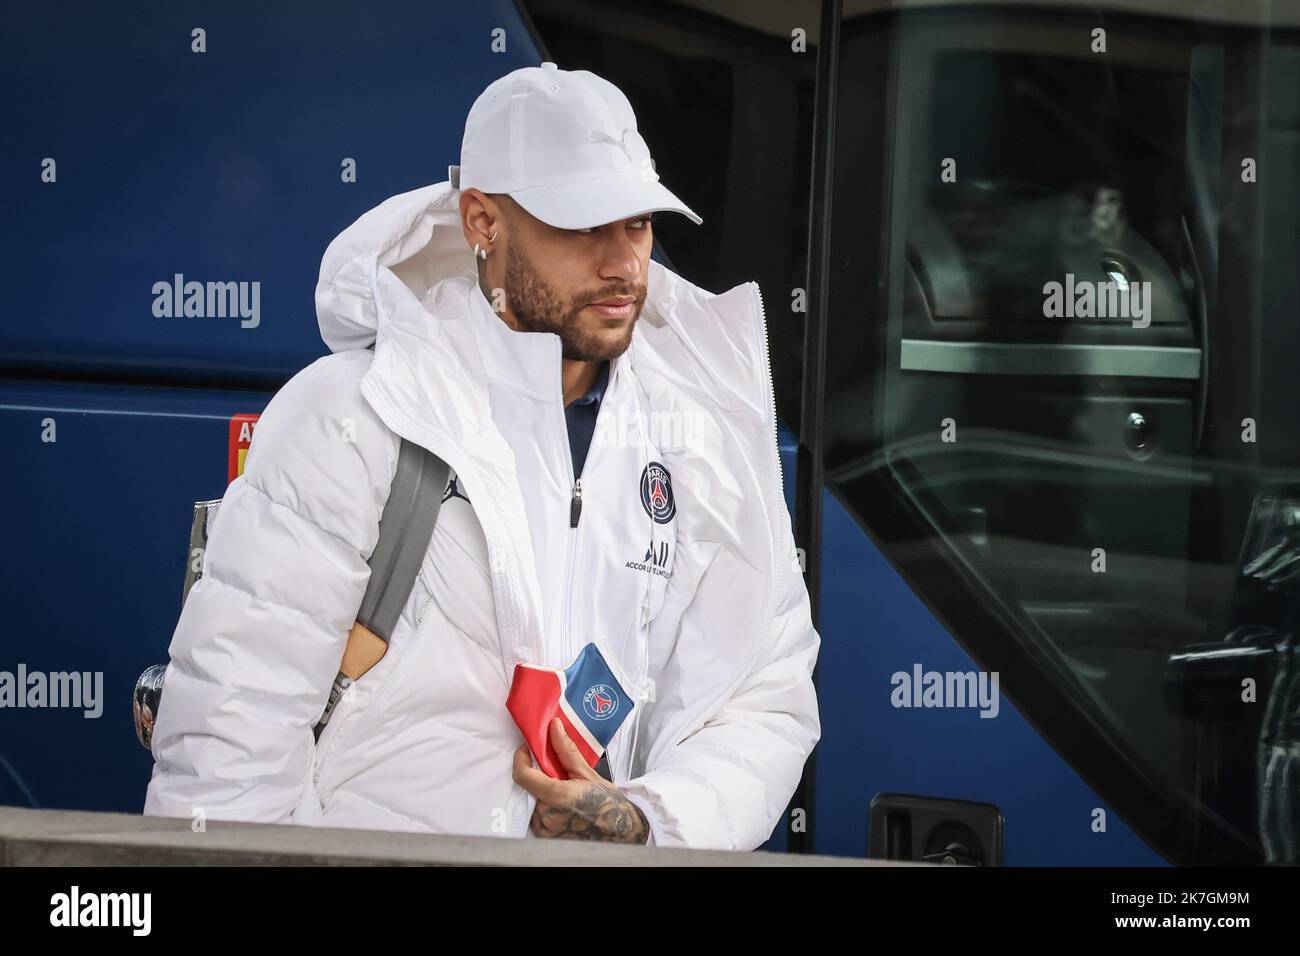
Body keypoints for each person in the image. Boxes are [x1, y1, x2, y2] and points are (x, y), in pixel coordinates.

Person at [143, 61, 821, 850]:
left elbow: (767, 697)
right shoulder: (351, 416)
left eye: (638, 222)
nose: (624, 262)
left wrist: (648, 823)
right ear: (481, 222)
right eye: (582, 223)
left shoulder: (703, 438)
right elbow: (228, 744)